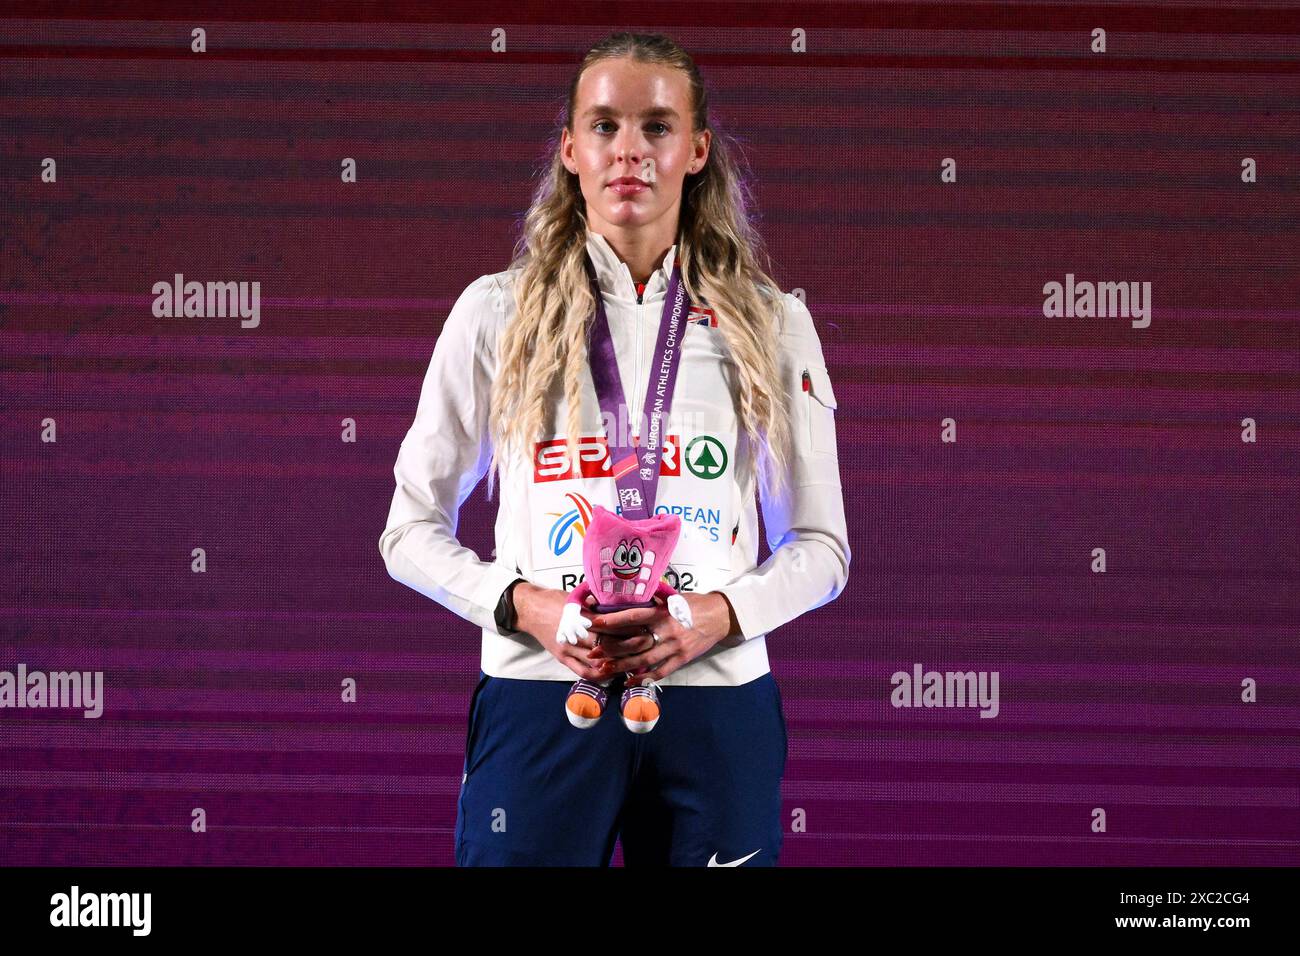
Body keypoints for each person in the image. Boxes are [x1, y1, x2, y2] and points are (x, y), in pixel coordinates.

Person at [378, 31, 850, 867]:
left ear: (697, 150)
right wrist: (524, 607)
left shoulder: (773, 322)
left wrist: (722, 616)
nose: (628, 150)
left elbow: (822, 549)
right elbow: (407, 532)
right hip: (541, 693)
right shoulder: (495, 312)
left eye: (657, 127)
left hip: (716, 701)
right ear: (569, 148)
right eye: (602, 126)